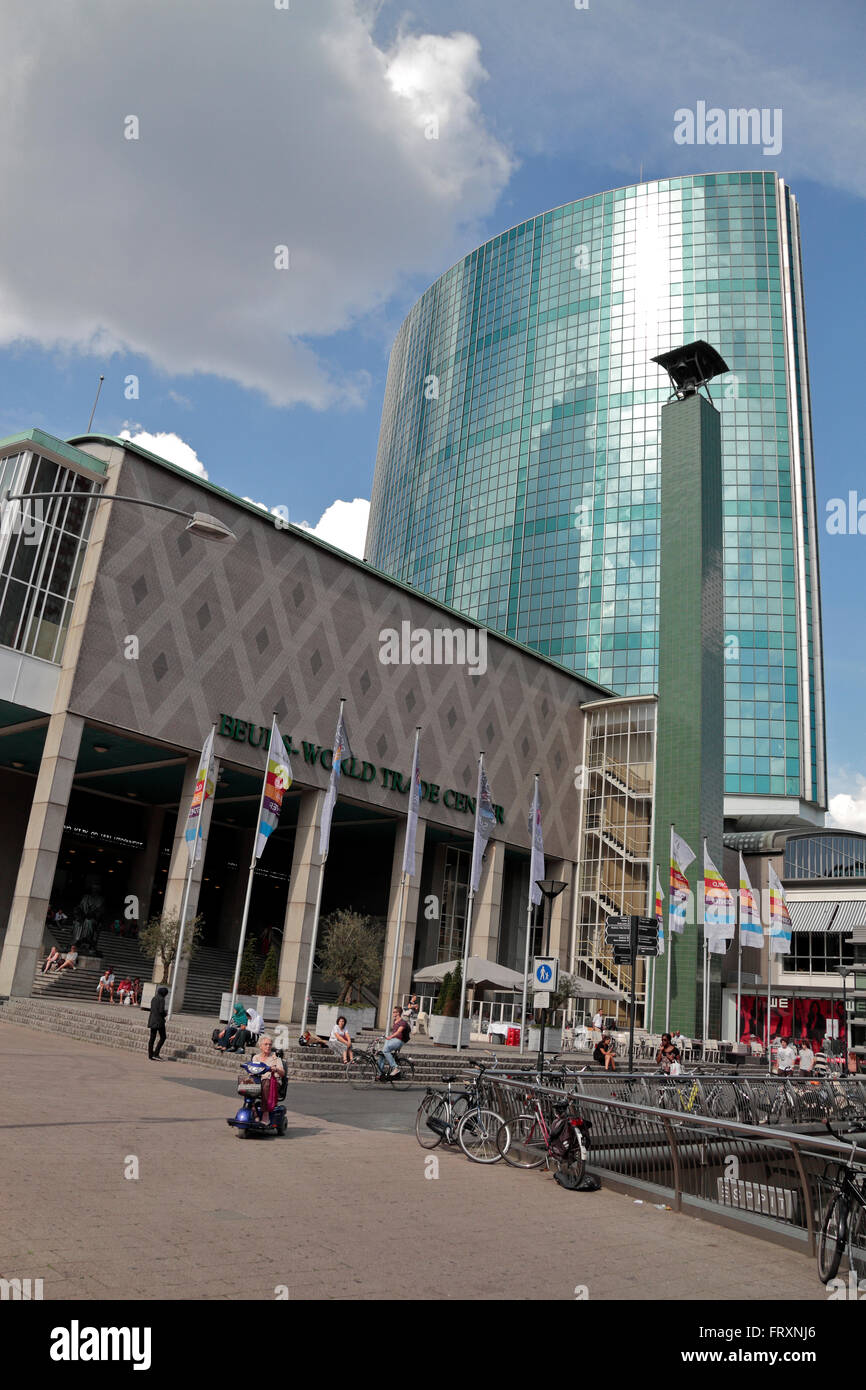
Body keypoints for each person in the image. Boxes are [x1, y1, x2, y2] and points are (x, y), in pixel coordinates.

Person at [251, 1035, 285, 1125]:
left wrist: (276, 1069)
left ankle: (265, 1114)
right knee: (247, 1083)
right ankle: (253, 1110)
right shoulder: (256, 1058)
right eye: (266, 1044)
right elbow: (252, 1071)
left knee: (266, 1083)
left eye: (270, 1044)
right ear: (260, 1046)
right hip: (259, 1081)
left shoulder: (275, 1058)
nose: (268, 1046)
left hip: (273, 1081)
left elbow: (282, 1073)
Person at [376, 1006, 411, 1079]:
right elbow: (394, 1032)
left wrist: (390, 1037)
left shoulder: (403, 1022)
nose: (393, 1013)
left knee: (385, 1050)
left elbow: (398, 1032)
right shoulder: (394, 1021)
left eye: (394, 1012)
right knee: (381, 1053)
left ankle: (395, 1068)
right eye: (393, 1012)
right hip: (393, 1040)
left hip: (399, 1041)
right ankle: (380, 1074)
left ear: (398, 1013)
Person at [147, 985, 169, 1060]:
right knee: (163, 1037)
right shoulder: (162, 999)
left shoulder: (154, 998)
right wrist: (165, 1013)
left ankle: (150, 1054)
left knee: (152, 1038)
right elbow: (161, 1011)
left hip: (152, 1020)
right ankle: (156, 1053)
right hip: (159, 1022)